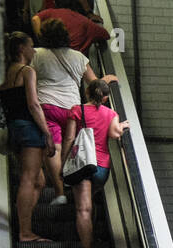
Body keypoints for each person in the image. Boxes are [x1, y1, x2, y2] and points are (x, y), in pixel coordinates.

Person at [32, 17, 116, 204]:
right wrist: (107, 80)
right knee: (72, 147)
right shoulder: (79, 57)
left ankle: (60, 192)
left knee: (53, 148)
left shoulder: (36, 54)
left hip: (47, 107)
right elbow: (94, 83)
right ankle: (73, 181)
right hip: (73, 109)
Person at [60, 79, 128, 248]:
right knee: (90, 202)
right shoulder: (111, 113)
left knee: (83, 209)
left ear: (87, 93)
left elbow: (68, 138)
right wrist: (122, 126)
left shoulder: (77, 110)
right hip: (102, 168)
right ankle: (92, 238)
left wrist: (63, 161)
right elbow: (114, 134)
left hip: (82, 164)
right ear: (105, 98)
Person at [0, 31, 56, 242]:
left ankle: (24, 223)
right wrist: (47, 133)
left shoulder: (4, 73)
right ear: (21, 48)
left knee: (39, 180)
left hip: (15, 129)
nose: (33, 50)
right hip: (29, 129)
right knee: (29, 179)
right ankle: (25, 232)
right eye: (31, 46)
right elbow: (33, 104)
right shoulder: (27, 71)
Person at [32, 0, 110, 53]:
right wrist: (89, 13)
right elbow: (105, 34)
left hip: (50, 52)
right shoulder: (84, 21)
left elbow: (35, 19)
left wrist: (41, 38)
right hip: (73, 59)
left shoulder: (51, 13)